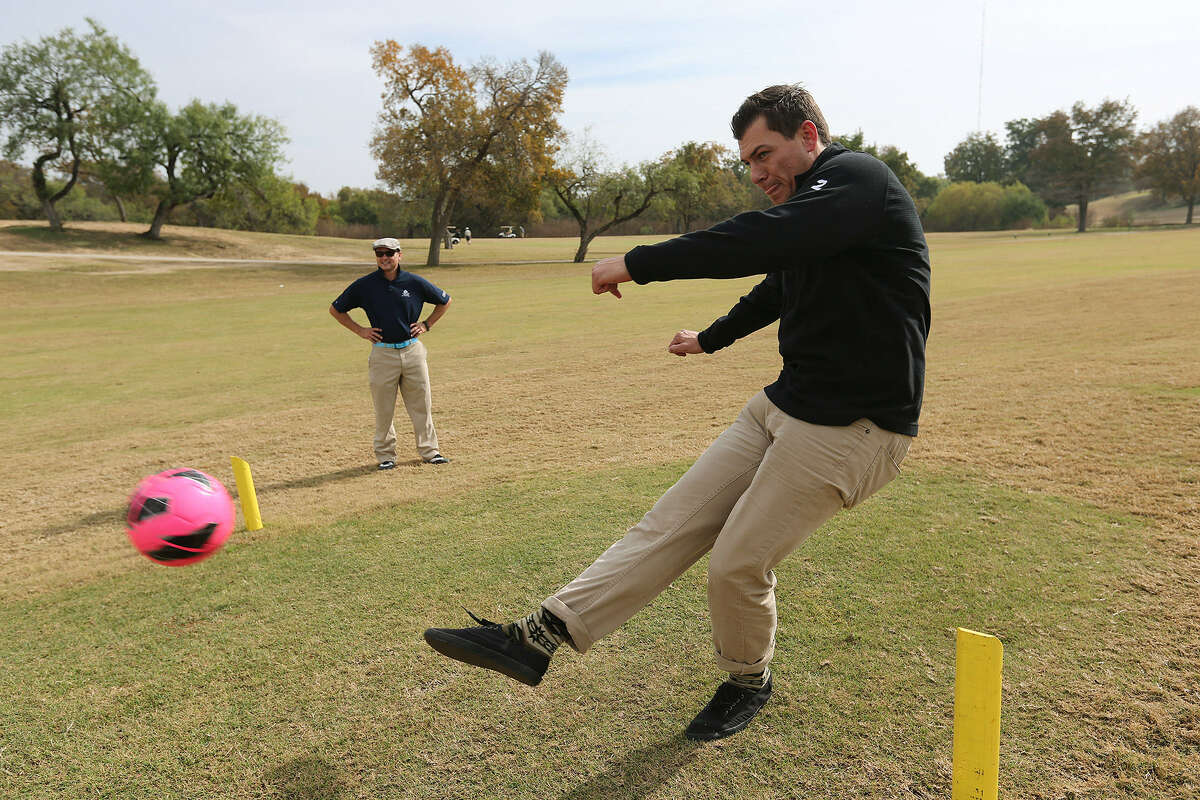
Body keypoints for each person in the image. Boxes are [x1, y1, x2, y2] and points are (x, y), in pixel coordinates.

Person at [424, 84, 931, 740]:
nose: (756, 174)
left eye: (765, 154)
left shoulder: (859, 182)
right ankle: (537, 637)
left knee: (737, 562)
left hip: (855, 428)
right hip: (781, 407)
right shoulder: (815, 216)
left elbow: (757, 244)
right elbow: (777, 285)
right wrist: (707, 338)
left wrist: (636, 263)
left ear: (809, 136)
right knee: (666, 525)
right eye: (747, 161)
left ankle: (748, 680)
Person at [329, 237, 452, 469]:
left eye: (389, 253)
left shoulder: (414, 282)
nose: (384, 258)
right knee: (384, 408)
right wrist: (360, 331)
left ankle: (430, 451)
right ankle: (386, 456)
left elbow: (444, 301)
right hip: (382, 355)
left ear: (399, 255)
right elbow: (336, 309)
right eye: (380, 254)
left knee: (421, 405)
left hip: (412, 350)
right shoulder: (365, 285)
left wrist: (426, 324)